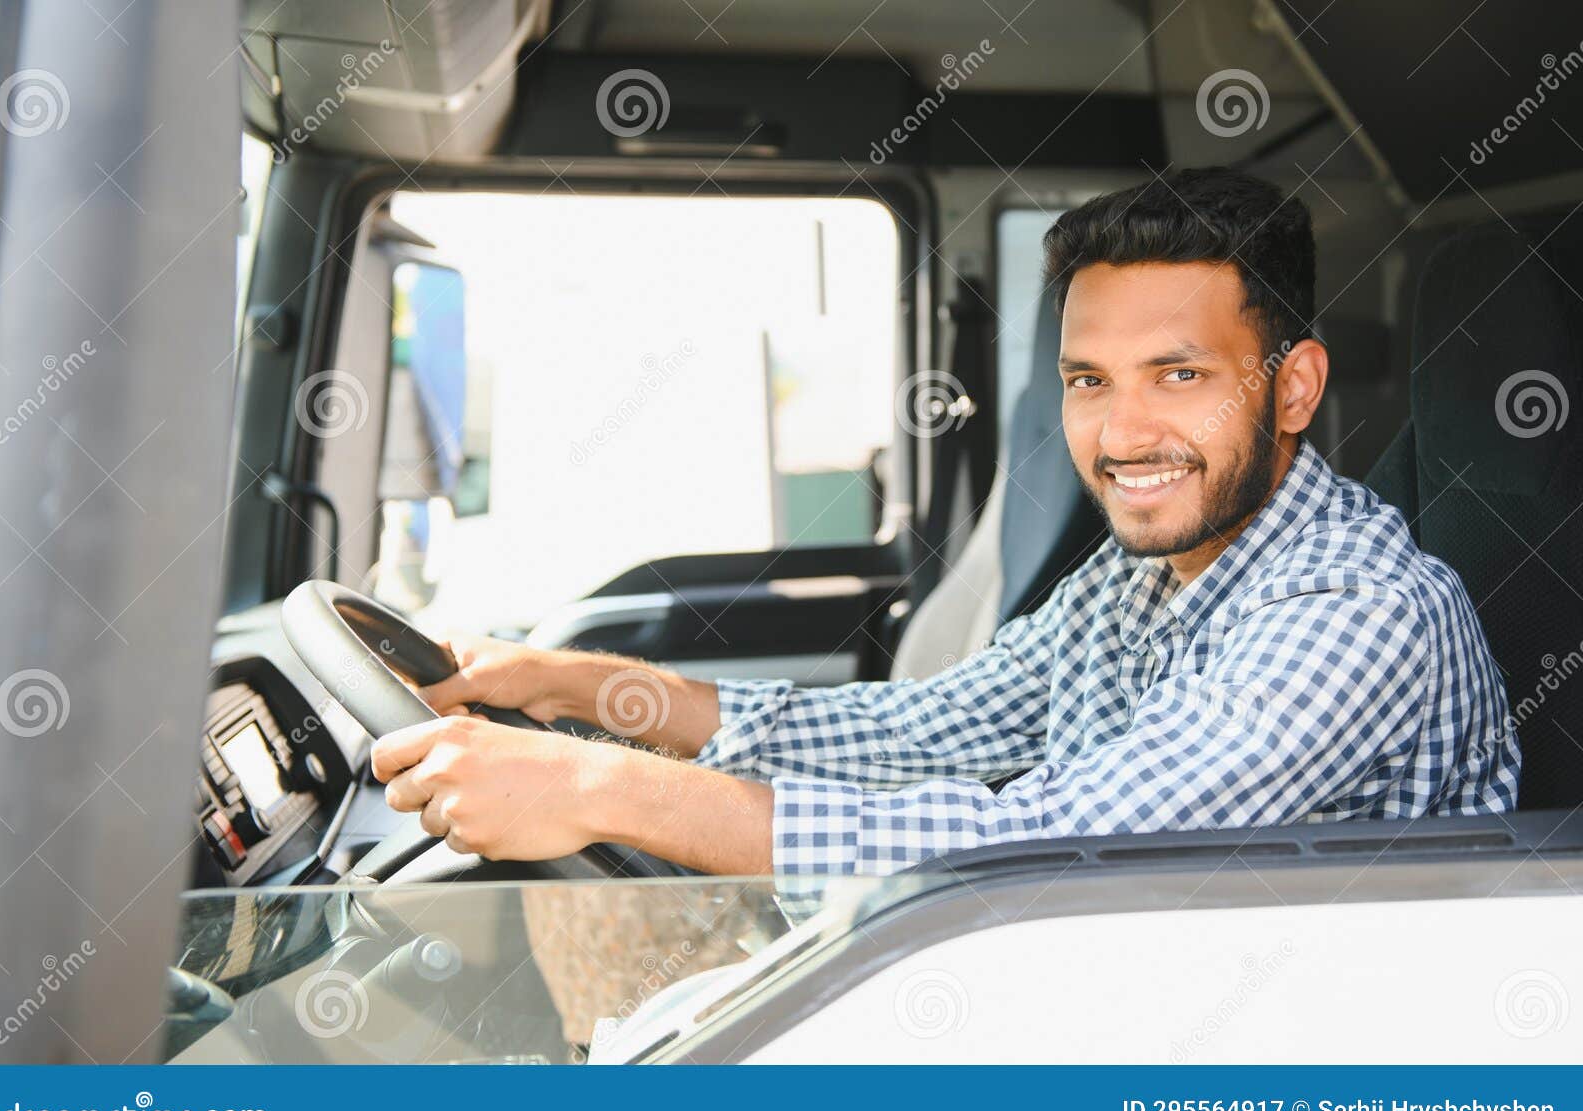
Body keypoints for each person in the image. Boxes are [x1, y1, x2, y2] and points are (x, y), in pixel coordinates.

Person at [371, 167, 1520, 881]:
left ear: (1296, 388)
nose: (1120, 435)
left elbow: (1062, 843)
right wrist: (573, 690)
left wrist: (597, 791)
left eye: (1177, 376)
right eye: (1085, 381)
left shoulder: (1359, 612)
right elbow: (921, 728)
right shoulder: (1143, 576)